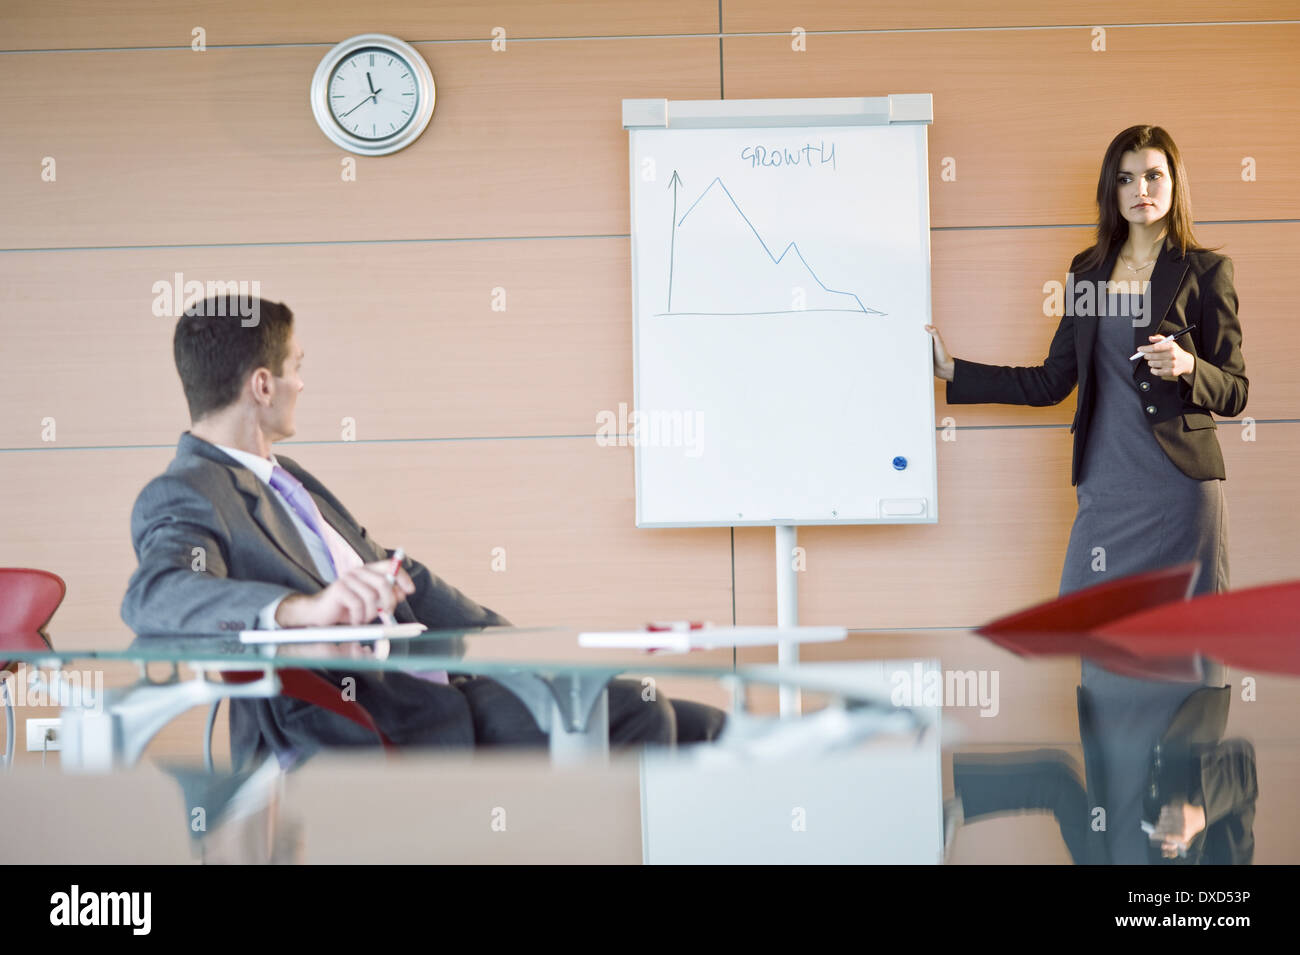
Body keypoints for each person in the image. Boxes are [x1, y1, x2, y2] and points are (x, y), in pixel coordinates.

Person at [122, 294, 725, 770]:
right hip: (358, 721)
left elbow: (390, 569)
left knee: (703, 728)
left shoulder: (290, 477)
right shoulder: (188, 490)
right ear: (261, 385)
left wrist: (510, 645)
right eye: (296, 368)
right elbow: (155, 595)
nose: (302, 384)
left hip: (432, 687)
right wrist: (302, 610)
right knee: (632, 714)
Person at [926, 124, 1247, 601]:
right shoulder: (1088, 270)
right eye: (1125, 178)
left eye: (1154, 175)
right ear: (1110, 191)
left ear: (1174, 183)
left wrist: (1187, 366)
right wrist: (954, 370)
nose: (1141, 189)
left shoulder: (1204, 270)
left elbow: (1236, 390)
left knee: (1182, 644)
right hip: (1105, 482)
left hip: (1179, 485)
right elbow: (1052, 382)